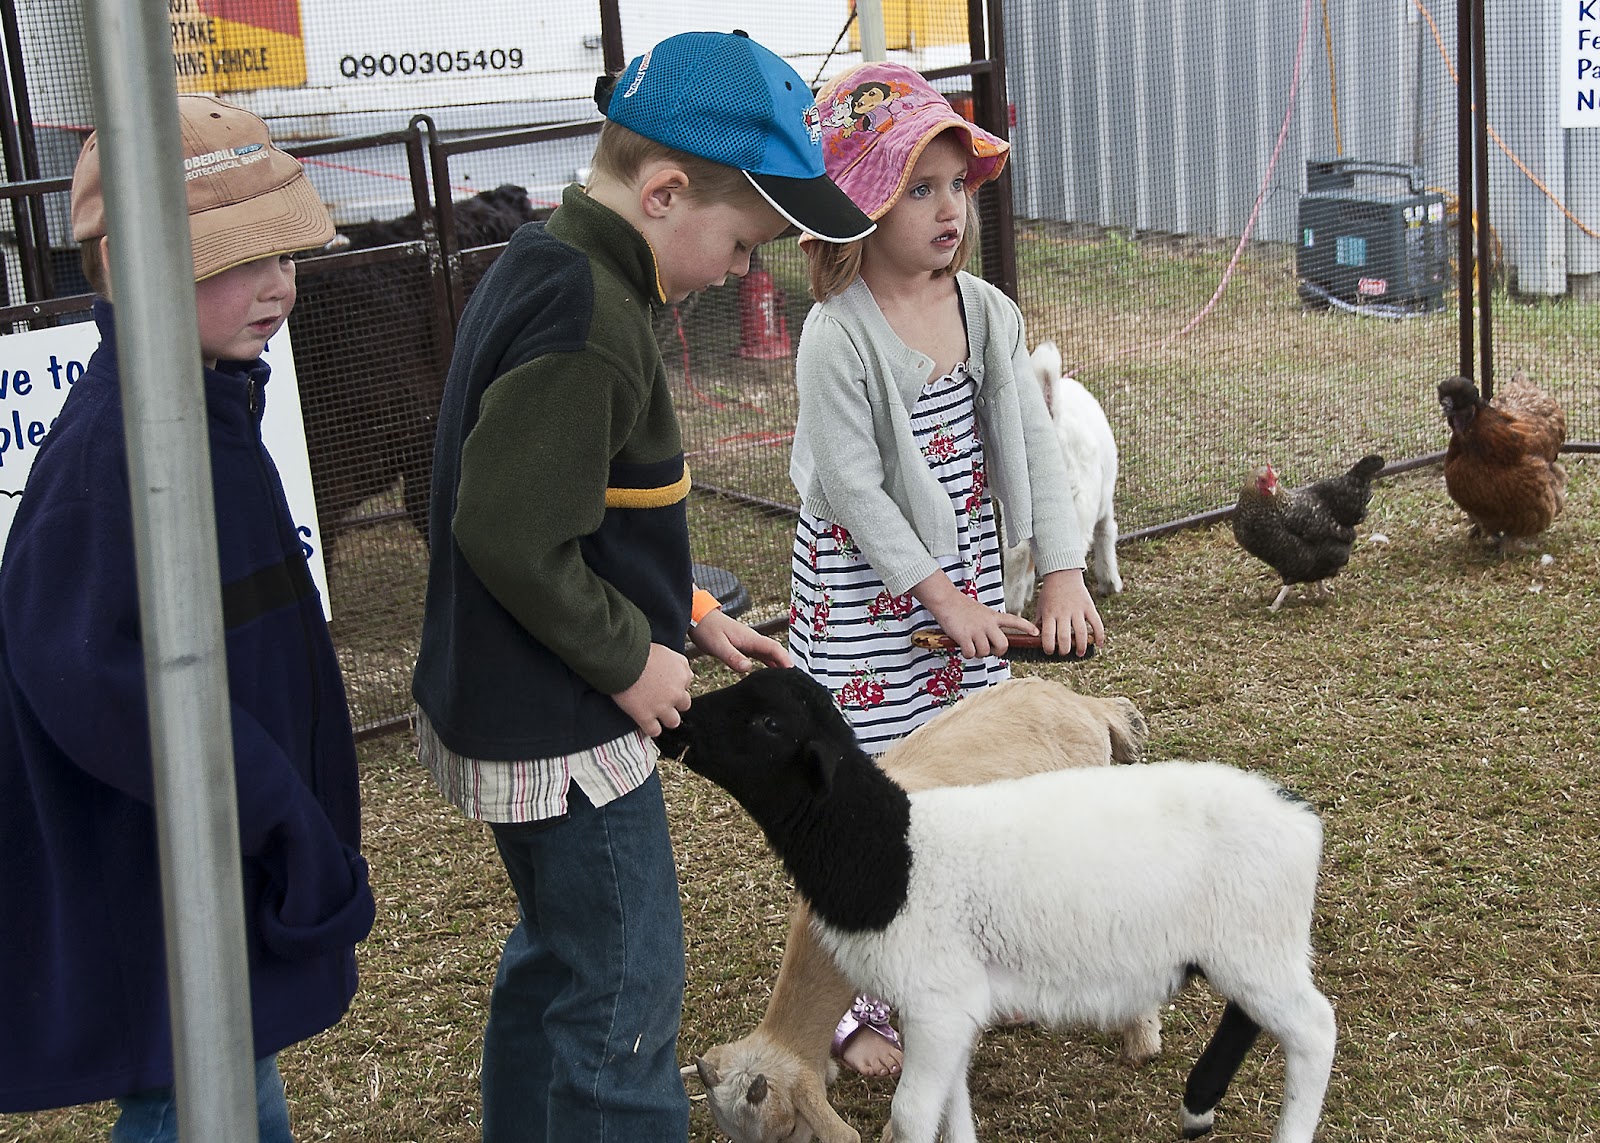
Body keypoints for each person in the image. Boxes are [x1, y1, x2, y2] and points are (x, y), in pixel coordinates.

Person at [408, 30, 874, 1143]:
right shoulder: (588, 320)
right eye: (743, 241)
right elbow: (508, 532)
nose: (743, 271)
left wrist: (693, 618)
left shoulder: (554, 264)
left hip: (528, 705)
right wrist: (631, 658)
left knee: (560, 958)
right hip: (560, 725)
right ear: (664, 193)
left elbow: (577, 510)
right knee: (625, 997)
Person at [0, 96, 375, 1141]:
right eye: (234, 260)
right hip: (164, 888)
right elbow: (88, 676)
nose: (278, 285)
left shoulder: (205, 408)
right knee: (194, 1101)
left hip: (208, 871)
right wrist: (276, 815)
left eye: (287, 252)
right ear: (130, 269)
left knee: (226, 1088)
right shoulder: (119, 458)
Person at [787, 61, 1107, 1078]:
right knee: (871, 799)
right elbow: (851, 489)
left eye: (955, 186)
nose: (946, 210)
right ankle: (859, 1002)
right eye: (914, 189)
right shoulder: (836, 337)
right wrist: (935, 594)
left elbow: (1033, 453)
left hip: (964, 589)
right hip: (866, 602)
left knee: (967, 786)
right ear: (856, 208)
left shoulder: (988, 312)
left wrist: (1057, 571)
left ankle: (966, 966)